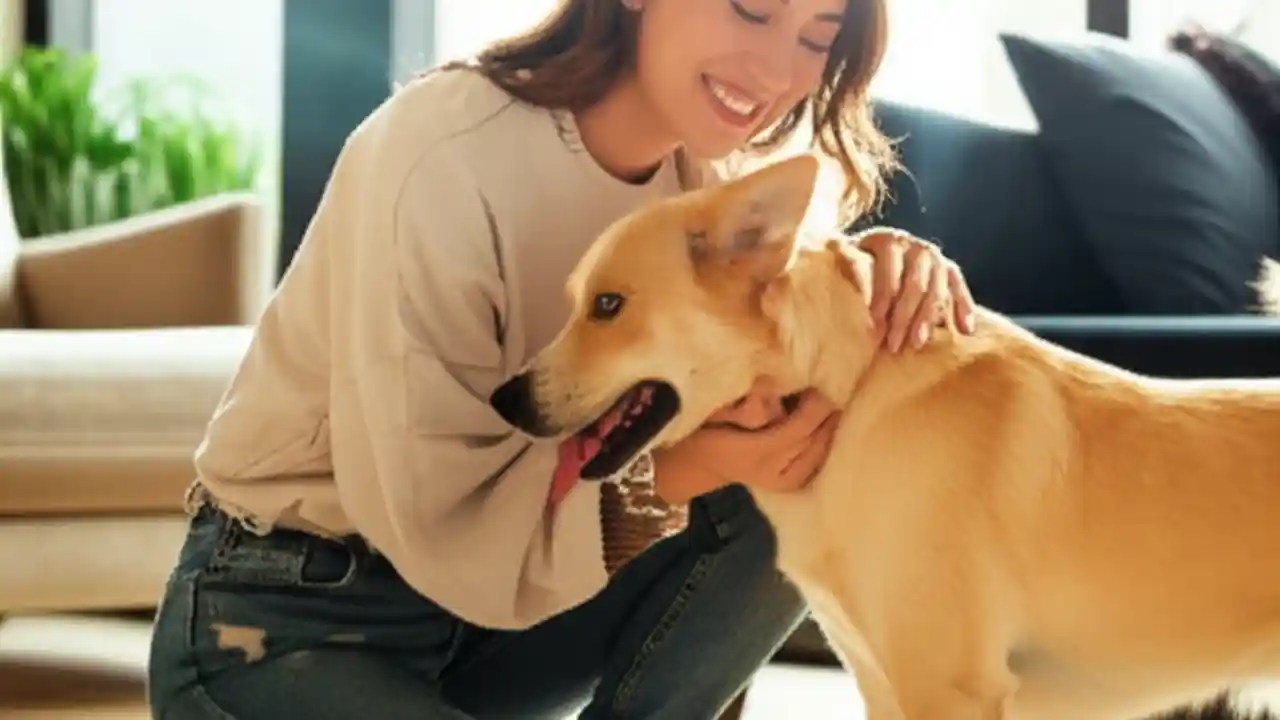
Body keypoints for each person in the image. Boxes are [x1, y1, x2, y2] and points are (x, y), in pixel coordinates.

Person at [146, 0, 978, 718]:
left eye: (816, 37)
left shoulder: (709, 181)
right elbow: (439, 526)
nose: (775, 69)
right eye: (750, 9)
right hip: (282, 618)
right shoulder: (440, 155)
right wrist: (679, 473)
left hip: (497, 635)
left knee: (804, 465)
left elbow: (788, 337)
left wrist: (884, 270)